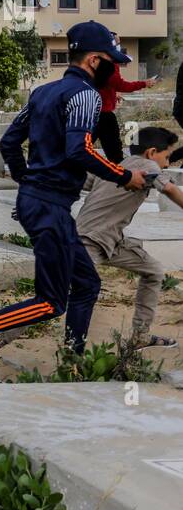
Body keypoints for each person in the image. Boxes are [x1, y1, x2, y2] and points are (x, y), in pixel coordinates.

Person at [0, 22, 148, 384]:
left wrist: (27, 183)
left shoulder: (42, 92)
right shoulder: (86, 96)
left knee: (86, 284)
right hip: (48, 205)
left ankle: (72, 362)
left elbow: (9, 143)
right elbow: (79, 149)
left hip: (45, 203)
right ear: (95, 60)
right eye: (112, 63)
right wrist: (123, 176)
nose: (114, 71)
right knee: (51, 301)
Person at [76, 125, 181, 350]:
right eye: (167, 156)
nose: (167, 164)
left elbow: (83, 182)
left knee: (153, 271)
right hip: (90, 242)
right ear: (152, 152)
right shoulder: (149, 166)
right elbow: (170, 189)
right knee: (56, 299)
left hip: (110, 241)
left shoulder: (118, 166)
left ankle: (140, 337)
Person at [95, 56, 156, 164]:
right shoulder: (108, 64)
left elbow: (108, 85)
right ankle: (120, 175)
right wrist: (144, 83)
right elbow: (120, 85)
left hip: (94, 111)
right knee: (115, 153)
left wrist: (113, 93)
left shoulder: (95, 62)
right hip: (103, 113)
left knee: (81, 147)